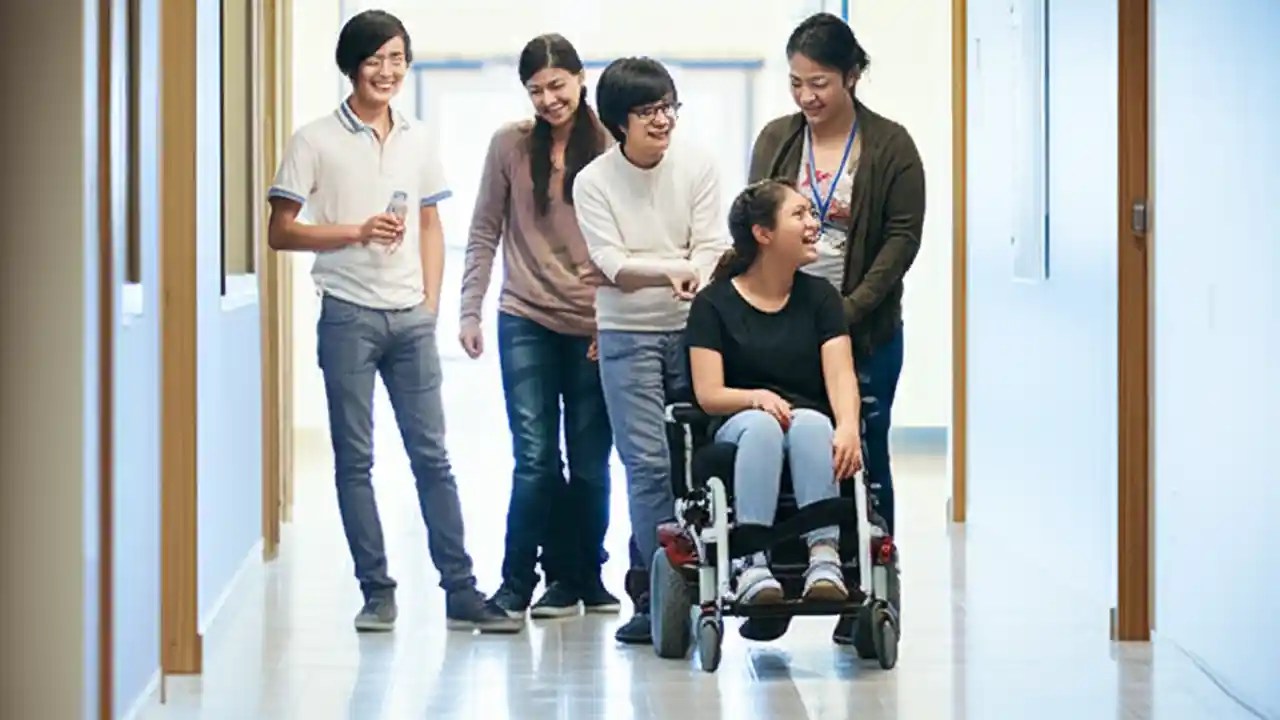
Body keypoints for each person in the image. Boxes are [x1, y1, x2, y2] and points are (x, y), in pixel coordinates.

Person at [265, 9, 519, 634]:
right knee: (355, 461)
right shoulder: (313, 140)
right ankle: (376, 591)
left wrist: (429, 307)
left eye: (398, 58)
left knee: (433, 458)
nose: (387, 70)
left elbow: (430, 225)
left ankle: (461, 591)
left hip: (410, 321)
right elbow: (280, 232)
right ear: (352, 65)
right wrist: (355, 231)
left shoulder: (418, 137)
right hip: (347, 317)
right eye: (375, 59)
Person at [746, 12, 924, 643]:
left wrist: (844, 313)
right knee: (786, 447)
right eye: (796, 83)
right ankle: (777, 582)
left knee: (863, 454)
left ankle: (869, 595)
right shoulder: (777, 139)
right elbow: (756, 222)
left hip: (865, 327)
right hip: (785, 328)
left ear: (852, 75)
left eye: (819, 82)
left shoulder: (891, 145)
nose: (807, 96)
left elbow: (901, 240)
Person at [458, 33, 621, 620]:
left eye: (557, 86)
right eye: (535, 90)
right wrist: (469, 308)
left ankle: (581, 575)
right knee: (535, 458)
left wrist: (614, 319)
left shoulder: (611, 145)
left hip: (594, 322)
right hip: (524, 316)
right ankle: (517, 581)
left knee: (591, 462)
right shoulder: (509, 144)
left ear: (580, 78)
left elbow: (627, 240)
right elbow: (483, 228)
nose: (549, 99)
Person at [572, 56, 729, 644]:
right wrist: (674, 269)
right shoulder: (593, 182)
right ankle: (657, 595)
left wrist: (687, 272)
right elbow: (611, 263)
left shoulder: (698, 165)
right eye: (647, 112)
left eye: (668, 107)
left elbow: (711, 244)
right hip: (625, 335)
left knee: (703, 461)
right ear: (619, 122)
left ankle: (710, 581)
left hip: (695, 330)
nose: (662, 120)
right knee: (646, 466)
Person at [685, 178, 864, 604]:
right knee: (764, 426)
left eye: (811, 213)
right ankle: (751, 560)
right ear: (763, 234)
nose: (813, 224)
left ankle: (824, 555)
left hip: (805, 420)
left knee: (812, 425)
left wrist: (848, 426)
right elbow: (709, 394)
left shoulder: (820, 298)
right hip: (738, 420)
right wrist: (756, 397)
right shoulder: (712, 305)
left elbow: (841, 374)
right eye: (799, 214)